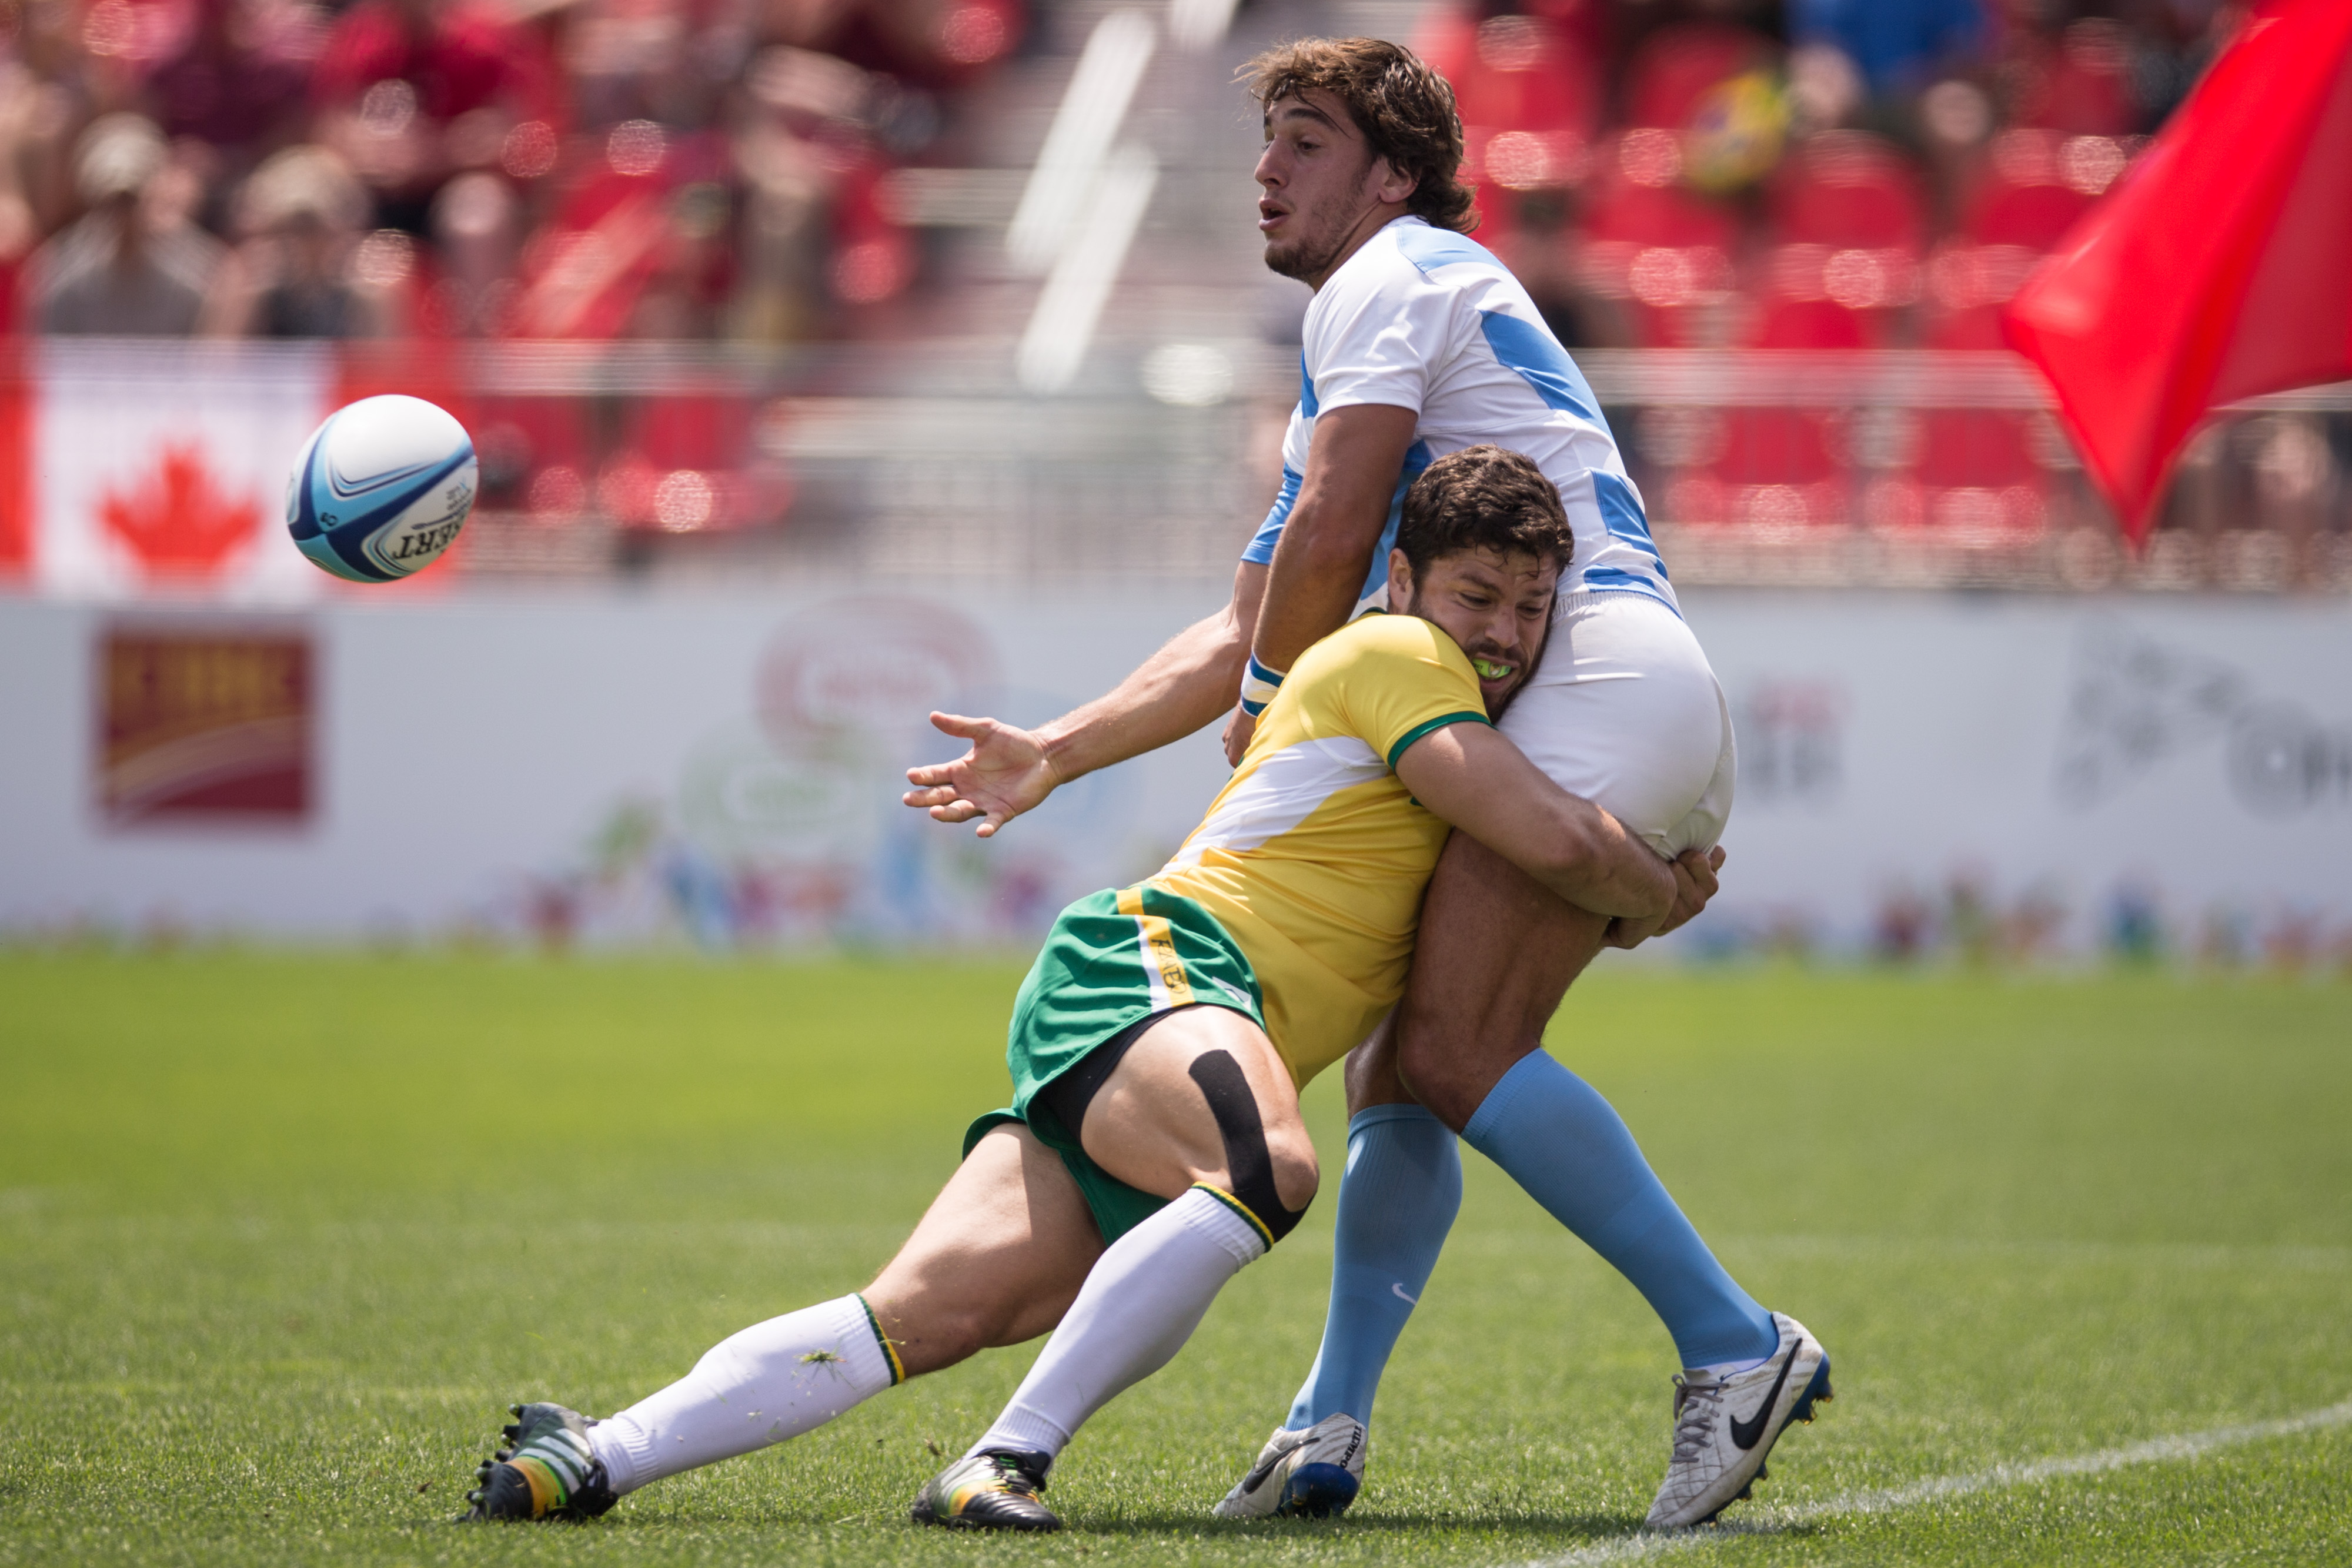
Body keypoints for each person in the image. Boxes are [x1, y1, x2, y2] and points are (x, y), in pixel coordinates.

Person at [901, 36, 1829, 1532]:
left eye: (1307, 140)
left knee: (1452, 1051)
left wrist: (1276, 708)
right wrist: (1061, 748)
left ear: (1392, 175)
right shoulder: (1371, 324)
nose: (1266, 168)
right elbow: (1252, 611)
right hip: (1628, 685)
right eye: (1266, 141)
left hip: (1593, 673)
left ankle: (1733, 1342)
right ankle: (1323, 1423)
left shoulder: (1389, 273)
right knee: (1401, 1063)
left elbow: (1335, 535)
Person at [460, 448, 1702, 1532]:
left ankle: (594, 1452)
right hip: (1158, 964)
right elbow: (1551, 840)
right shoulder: (1395, 651)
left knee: (918, 1314)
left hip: (1163, 1017)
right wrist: (1651, 885)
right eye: (1476, 594)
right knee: (1268, 1168)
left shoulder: (1458, 717)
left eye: (1531, 608)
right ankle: (1001, 1457)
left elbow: (1495, 924)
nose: (1500, 631)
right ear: (1405, 586)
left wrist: (1623, 905)